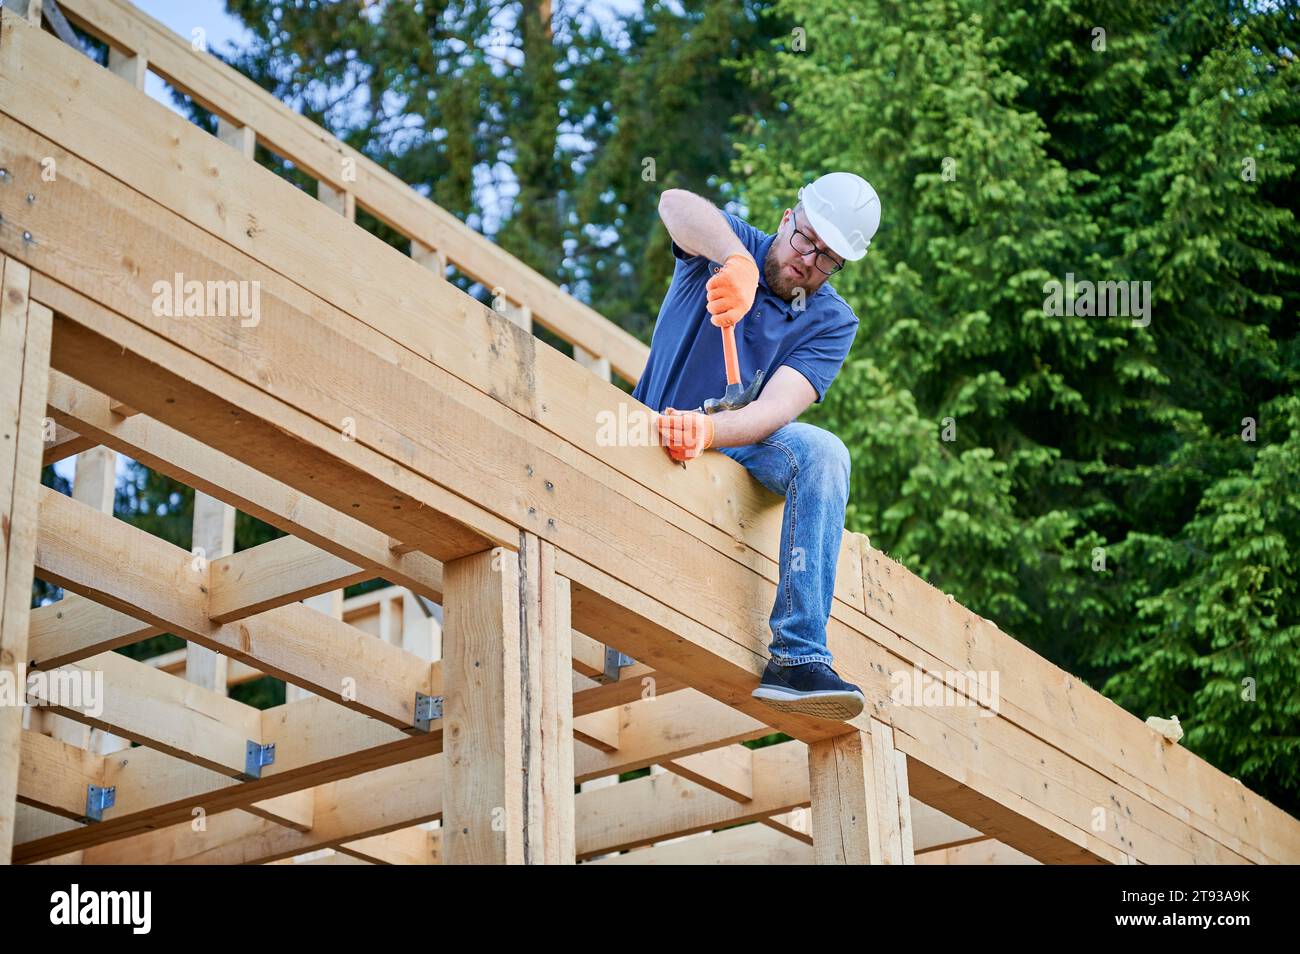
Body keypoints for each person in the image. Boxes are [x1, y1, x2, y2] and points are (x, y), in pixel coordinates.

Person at [634, 172, 882, 720]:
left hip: (733, 447)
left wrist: (708, 431)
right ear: (788, 217)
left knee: (824, 454)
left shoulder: (833, 320)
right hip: (649, 438)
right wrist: (735, 263)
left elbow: (774, 410)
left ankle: (797, 658)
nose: (808, 261)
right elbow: (674, 201)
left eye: (828, 258)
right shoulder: (729, 244)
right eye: (806, 239)